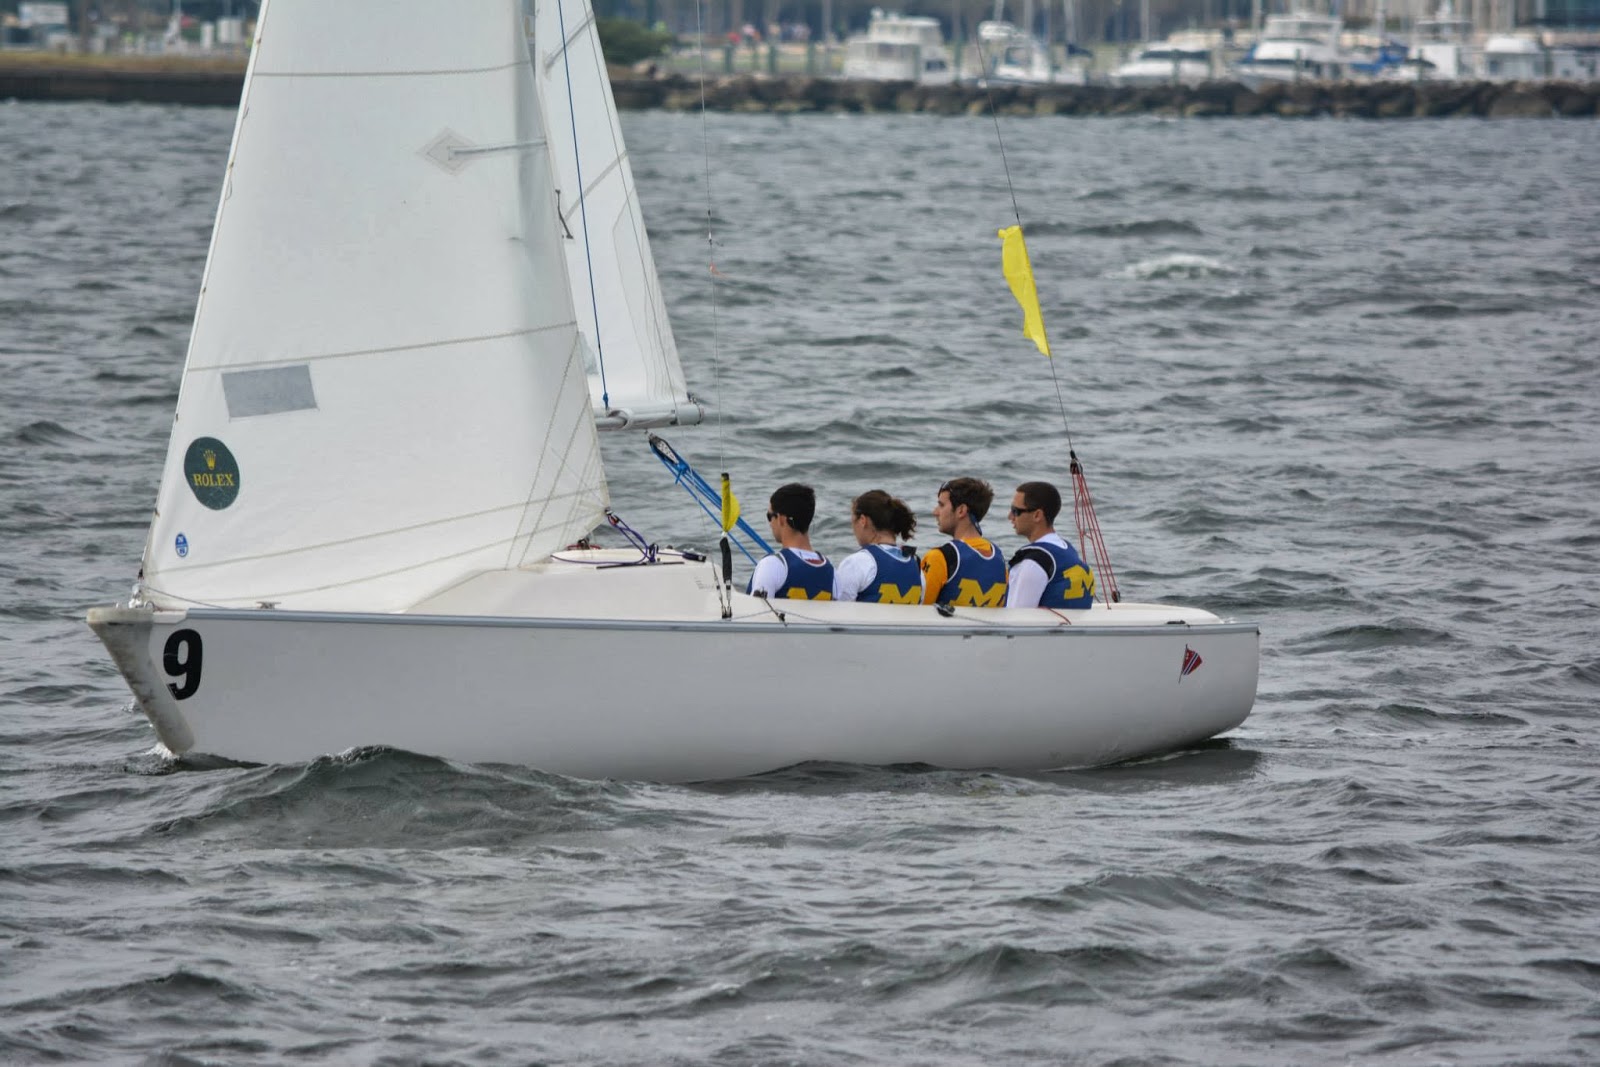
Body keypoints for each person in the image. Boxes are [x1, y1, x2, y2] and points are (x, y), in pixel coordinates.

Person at [1005, 481, 1096, 610]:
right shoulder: (1067, 550)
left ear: (1037, 515)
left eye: (1016, 511)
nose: (1010, 516)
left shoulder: (1033, 563)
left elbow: (1017, 619)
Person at [921, 477, 1008, 608]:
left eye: (941, 505)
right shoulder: (999, 560)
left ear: (961, 510)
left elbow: (917, 611)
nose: (935, 512)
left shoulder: (939, 558)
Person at [748, 483, 838, 600]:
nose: (770, 523)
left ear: (781, 519)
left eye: (769, 516)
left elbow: (756, 614)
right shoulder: (833, 574)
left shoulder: (772, 565)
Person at [835, 490, 922, 604]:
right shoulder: (916, 566)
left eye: (853, 522)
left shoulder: (857, 563)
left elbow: (838, 613)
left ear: (863, 521)